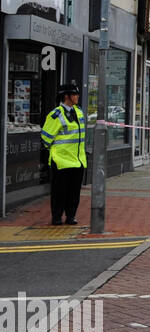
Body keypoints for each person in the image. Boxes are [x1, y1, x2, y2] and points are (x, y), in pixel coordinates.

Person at [41, 83, 87, 226]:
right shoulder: (56, 114)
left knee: (74, 193)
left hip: (78, 160)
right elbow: (46, 138)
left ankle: (71, 216)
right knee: (59, 192)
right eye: (74, 94)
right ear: (66, 96)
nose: (77, 96)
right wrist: (57, 152)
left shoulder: (79, 112)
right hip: (61, 161)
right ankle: (56, 217)